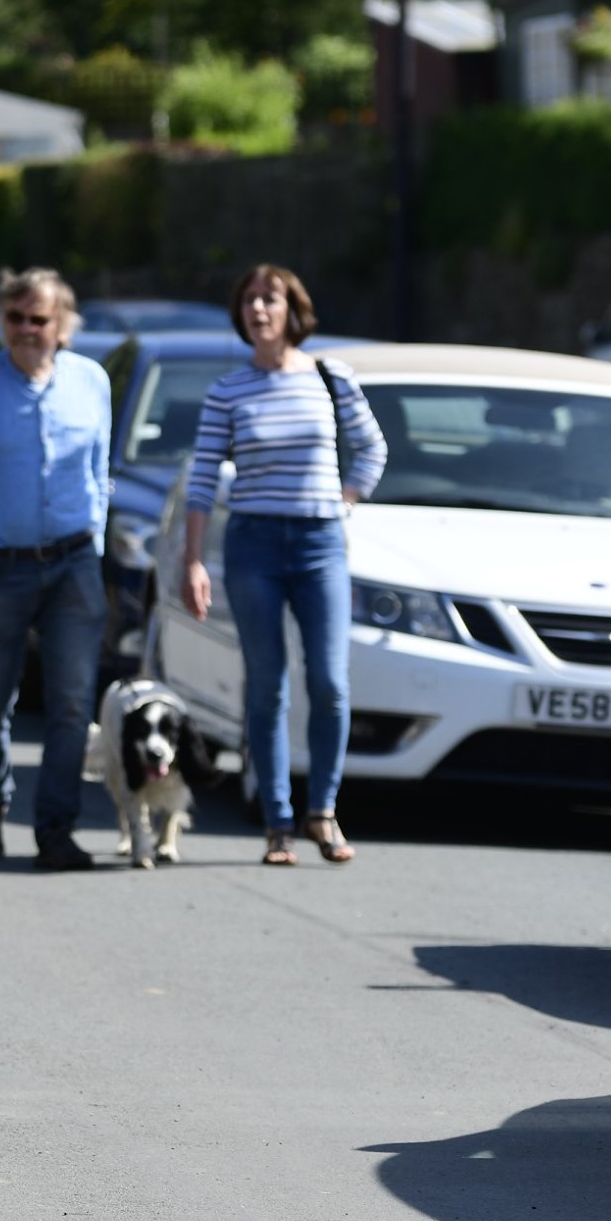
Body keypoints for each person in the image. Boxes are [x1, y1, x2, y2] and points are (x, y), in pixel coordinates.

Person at [180, 263, 386, 866]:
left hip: (320, 542)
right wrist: (193, 560)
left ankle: (322, 810)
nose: (258, 310)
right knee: (266, 685)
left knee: (328, 682)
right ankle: (277, 822)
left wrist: (346, 499)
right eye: (249, 301)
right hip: (254, 545)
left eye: (269, 299)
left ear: (293, 308)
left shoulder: (329, 377)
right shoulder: (228, 391)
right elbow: (201, 481)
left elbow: (372, 447)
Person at [0, 267, 110, 871]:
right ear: (2, 320)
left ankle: (56, 830)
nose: (28, 330)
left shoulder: (92, 381)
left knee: (71, 705)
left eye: (41, 319)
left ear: (63, 326)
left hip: (73, 562)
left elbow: (99, 469)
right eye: (17, 318)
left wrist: (97, 540)